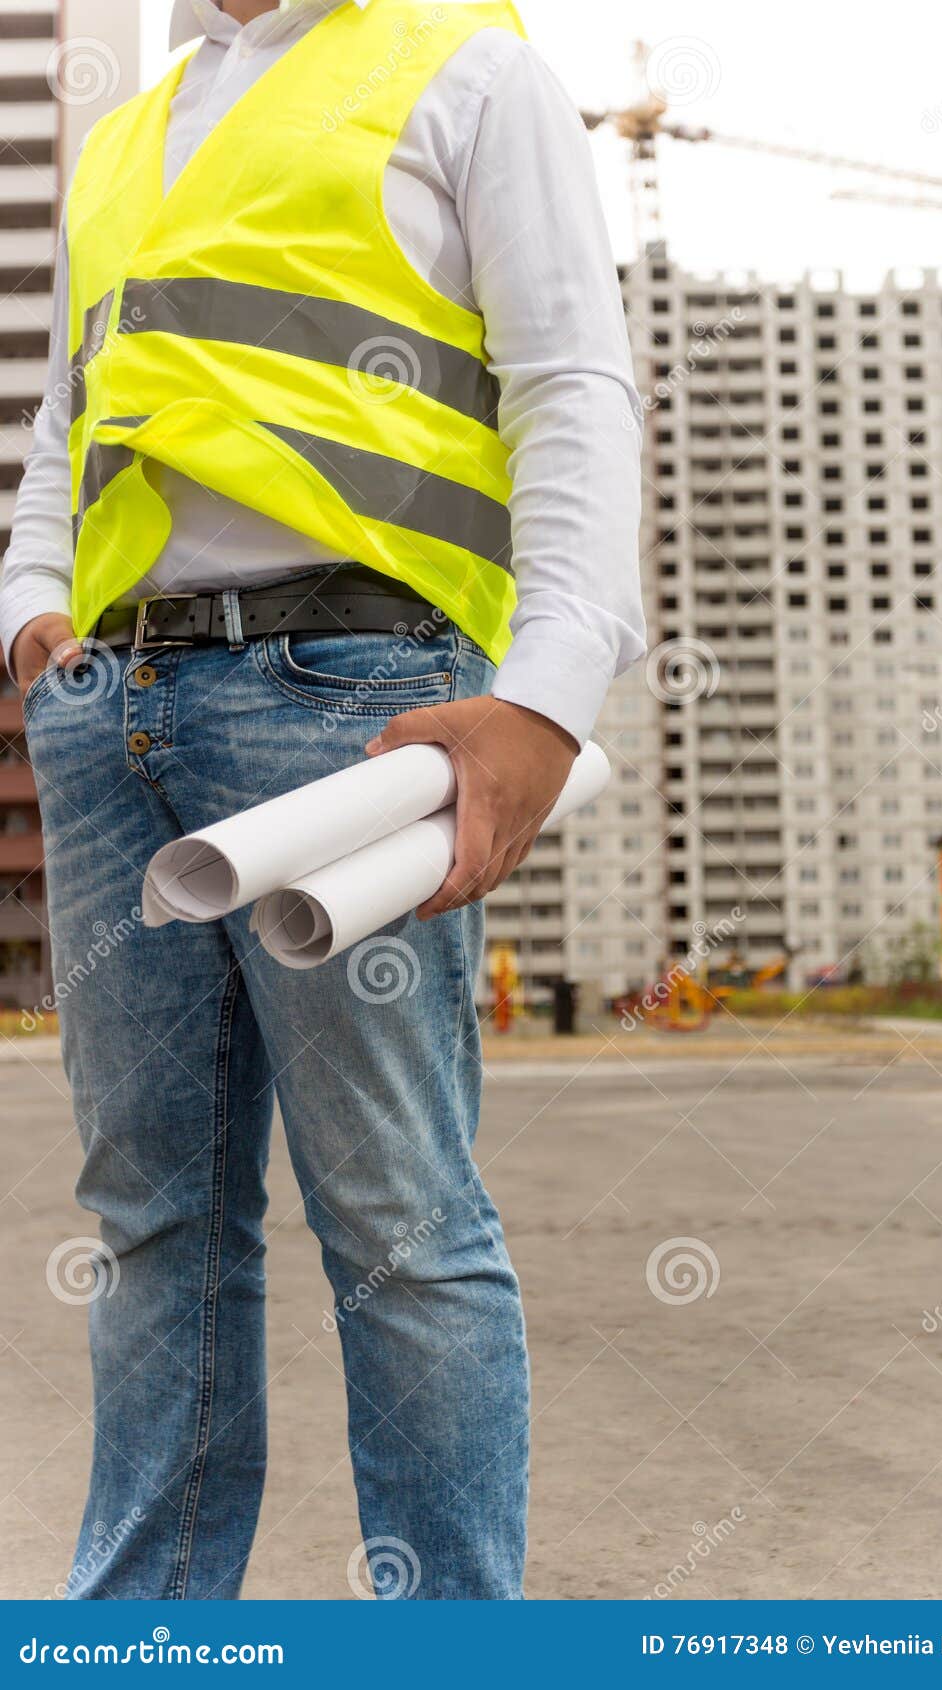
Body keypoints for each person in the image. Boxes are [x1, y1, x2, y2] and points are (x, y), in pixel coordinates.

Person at [0, 0, 643, 1600]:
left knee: (396, 1216)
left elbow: (572, 382)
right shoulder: (129, 138)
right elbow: (68, 420)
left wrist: (548, 696)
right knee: (151, 1217)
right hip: (111, 707)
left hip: (352, 698)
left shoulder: (468, 69)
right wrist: (31, 621)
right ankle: (146, 1637)